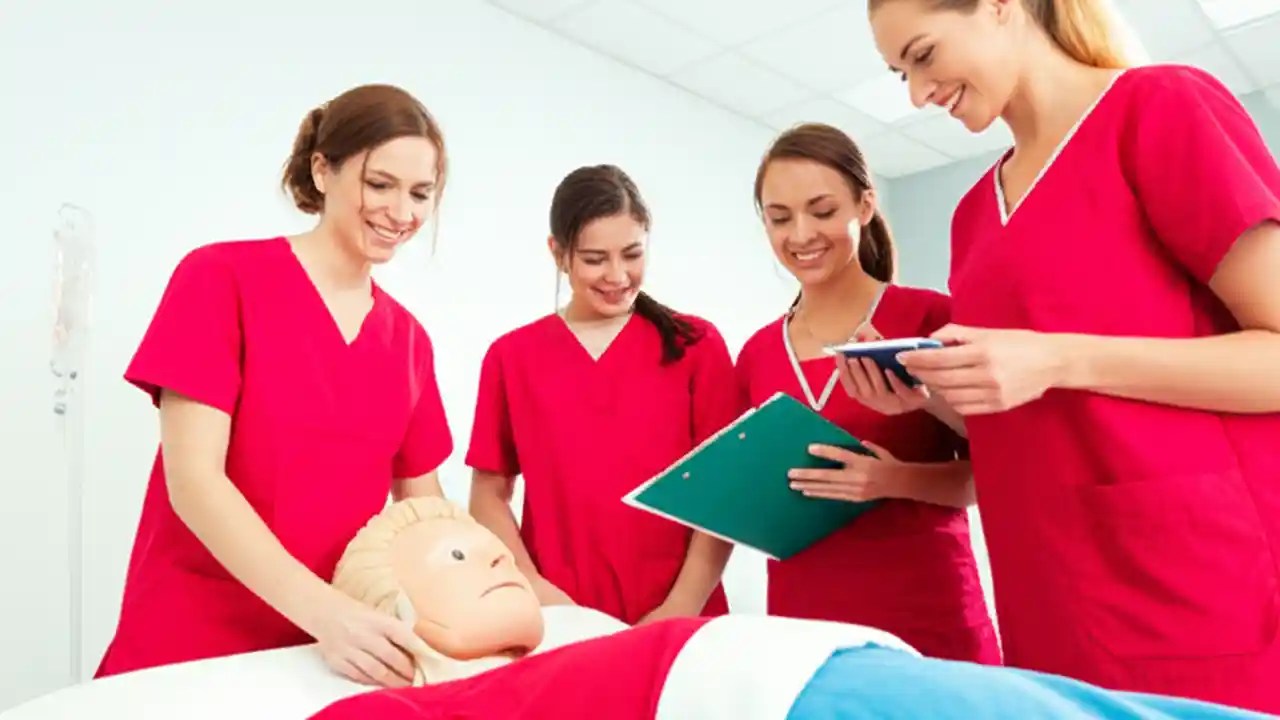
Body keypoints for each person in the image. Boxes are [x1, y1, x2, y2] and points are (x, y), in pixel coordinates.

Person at [862, 0, 1280, 713]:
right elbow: (1036, 412)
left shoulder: (1160, 107)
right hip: (1049, 593)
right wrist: (932, 394)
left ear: (1000, 7)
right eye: (900, 72)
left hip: (1193, 586)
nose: (917, 94)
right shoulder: (973, 215)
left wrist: (1058, 358)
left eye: (924, 55)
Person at [95, 84, 452, 689]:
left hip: (329, 657)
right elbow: (195, 482)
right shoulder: (220, 279)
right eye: (379, 184)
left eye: (421, 193)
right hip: (195, 639)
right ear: (322, 169)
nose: (402, 212)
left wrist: (484, 598)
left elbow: (425, 515)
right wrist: (327, 614)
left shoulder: (410, 343)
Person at [308, 496, 1272, 720]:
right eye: (458, 556)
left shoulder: (573, 640)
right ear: (398, 614)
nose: (493, 551)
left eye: (487, 544)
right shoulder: (407, 701)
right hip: (758, 694)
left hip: (782, 667)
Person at [733, 122, 1000, 665]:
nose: (800, 234)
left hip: (926, 615)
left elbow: (994, 472)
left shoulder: (929, 316)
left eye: (823, 210)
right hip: (804, 626)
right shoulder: (758, 353)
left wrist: (892, 479)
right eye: (779, 218)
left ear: (865, 205)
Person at [465, 164, 742, 626]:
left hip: (680, 617)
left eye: (632, 254)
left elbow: (725, 494)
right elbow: (487, 495)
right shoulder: (512, 357)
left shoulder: (697, 346)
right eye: (595, 259)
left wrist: (679, 609)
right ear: (558, 253)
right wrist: (533, 588)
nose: (618, 275)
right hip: (557, 618)